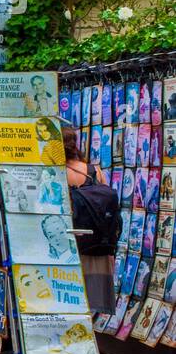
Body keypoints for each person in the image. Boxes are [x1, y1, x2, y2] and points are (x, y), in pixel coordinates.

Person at [64, 125, 115, 315]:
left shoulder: (57, 172)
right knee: (90, 301)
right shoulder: (94, 171)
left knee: (68, 296)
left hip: (70, 244)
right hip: (95, 245)